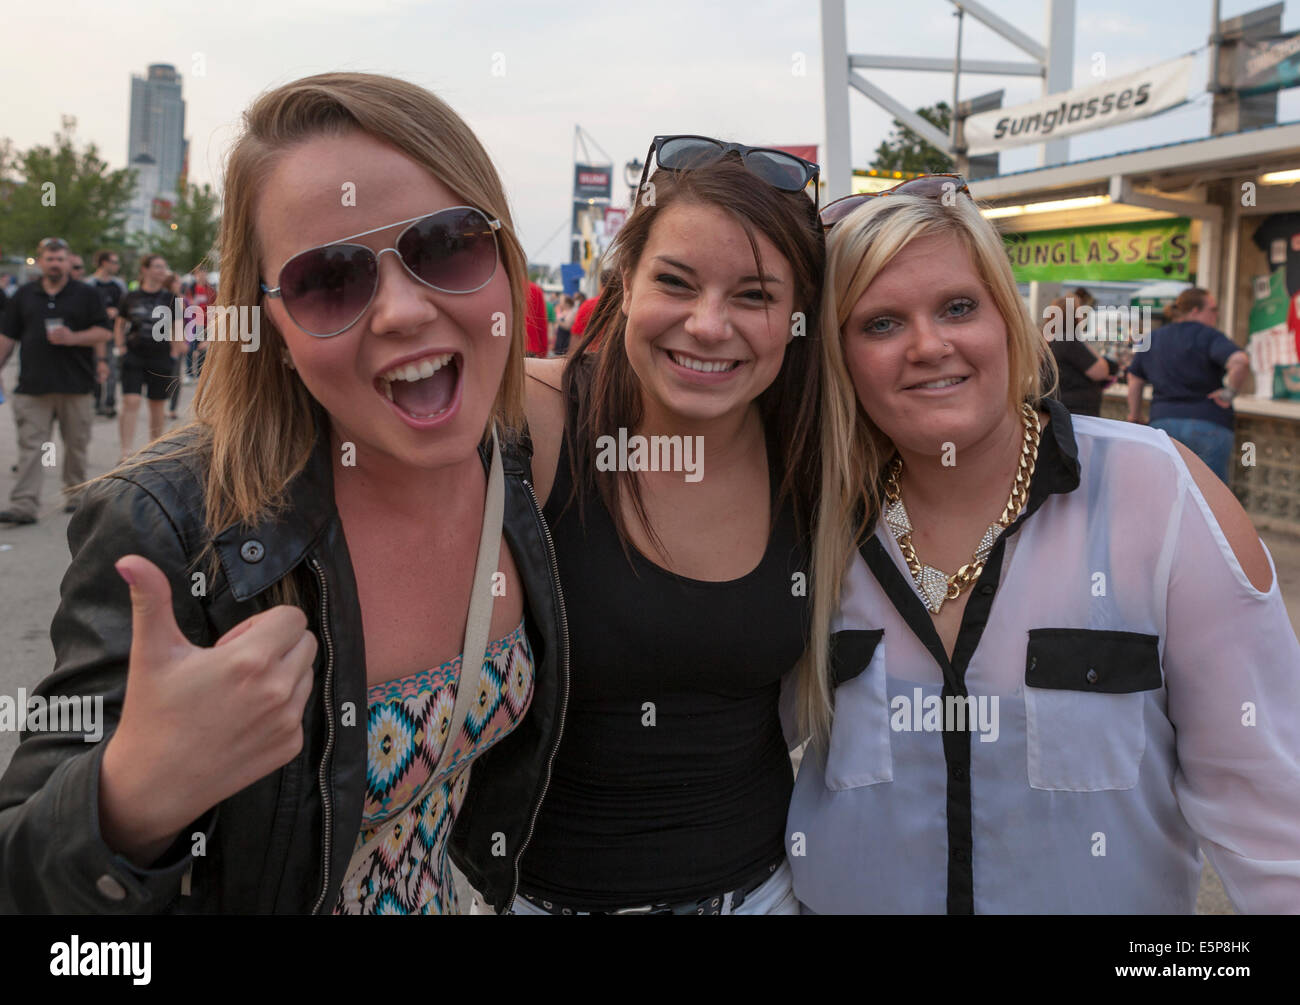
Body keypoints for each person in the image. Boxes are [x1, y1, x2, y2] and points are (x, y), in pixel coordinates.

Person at [0, 71, 567, 915]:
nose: (405, 311)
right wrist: (130, 799)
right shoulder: (171, 524)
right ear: (267, 322)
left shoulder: (511, 455)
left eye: (446, 244)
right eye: (330, 280)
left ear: (505, 259)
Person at [790, 178, 1300, 914]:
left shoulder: (1158, 494)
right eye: (880, 323)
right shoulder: (813, 522)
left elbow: (1273, 818)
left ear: (1008, 319)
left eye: (958, 307)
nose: (930, 344)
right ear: (839, 356)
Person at [515, 136, 824, 915]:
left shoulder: (816, 451)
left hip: (759, 894)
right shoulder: (528, 418)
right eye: (675, 283)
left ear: (797, 318)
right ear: (624, 285)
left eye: (753, 296)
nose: (708, 324)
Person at [0, 237, 111, 524]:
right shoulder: (24, 295)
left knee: (76, 445)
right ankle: (24, 505)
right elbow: (7, 336)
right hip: (33, 387)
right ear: (40, 262)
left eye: (60, 259)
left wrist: (74, 338)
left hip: (76, 386)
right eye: (49, 259)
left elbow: (104, 332)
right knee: (30, 446)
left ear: (68, 261)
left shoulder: (86, 294)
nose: (55, 264)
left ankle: (75, 497)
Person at [1125, 287, 1250, 484]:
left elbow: (1135, 380)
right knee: (1211, 496)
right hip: (1208, 422)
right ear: (1194, 311)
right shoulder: (1209, 336)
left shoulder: (1152, 338)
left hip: (1162, 425)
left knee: (1166, 491)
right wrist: (1229, 393)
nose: (1217, 315)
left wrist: (1135, 415)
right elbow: (1240, 361)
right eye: (1213, 309)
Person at [115, 255, 184, 460]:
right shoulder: (130, 296)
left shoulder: (172, 298)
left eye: (164, 267)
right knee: (131, 400)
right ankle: (126, 450)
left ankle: (153, 449)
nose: (162, 271)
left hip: (160, 355)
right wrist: (120, 347)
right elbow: (119, 323)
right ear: (145, 270)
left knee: (157, 403)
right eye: (157, 267)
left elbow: (177, 325)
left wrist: (175, 349)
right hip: (134, 354)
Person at [1044, 289, 1115, 417]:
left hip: (1060, 411)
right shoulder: (1069, 342)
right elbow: (1100, 371)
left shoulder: (1050, 341)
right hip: (1077, 414)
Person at [89, 250, 125, 418]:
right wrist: (104, 312)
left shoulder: (118, 285)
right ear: (104, 263)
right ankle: (96, 401)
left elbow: (125, 309)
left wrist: (117, 312)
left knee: (111, 370)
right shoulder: (90, 284)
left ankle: (109, 403)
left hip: (112, 334)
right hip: (93, 335)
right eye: (114, 262)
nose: (116, 266)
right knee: (95, 368)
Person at [163, 272, 189, 419]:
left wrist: (184, 340)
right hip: (165, 341)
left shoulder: (181, 299)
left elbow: (184, 322)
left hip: (178, 340)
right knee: (167, 375)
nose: (179, 284)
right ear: (169, 283)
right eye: (176, 282)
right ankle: (161, 402)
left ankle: (172, 408)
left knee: (176, 377)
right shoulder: (164, 299)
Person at [569, 269, 609, 352]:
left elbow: (576, 335)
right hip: (615, 358)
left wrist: (572, 359)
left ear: (600, 285)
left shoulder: (588, 305)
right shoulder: (624, 306)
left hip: (591, 356)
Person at [524, 279, 547, 357]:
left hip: (503, 348)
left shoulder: (499, 287)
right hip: (529, 348)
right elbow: (542, 324)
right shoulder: (535, 289)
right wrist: (543, 351)